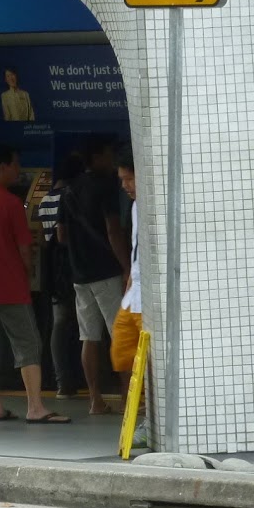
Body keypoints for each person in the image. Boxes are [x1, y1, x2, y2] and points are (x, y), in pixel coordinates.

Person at [0, 144, 69, 424]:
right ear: (2, 167)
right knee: (27, 344)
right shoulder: (11, 203)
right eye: (15, 165)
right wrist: (27, 274)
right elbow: (25, 248)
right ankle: (35, 407)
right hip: (9, 287)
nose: (18, 170)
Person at [57, 137, 125, 416]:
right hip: (106, 271)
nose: (112, 162)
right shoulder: (105, 186)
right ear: (96, 158)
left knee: (89, 337)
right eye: (108, 155)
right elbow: (112, 230)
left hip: (80, 274)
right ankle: (128, 397)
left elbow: (61, 235)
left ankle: (95, 400)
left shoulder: (69, 189)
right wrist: (126, 265)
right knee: (119, 334)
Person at [35, 153, 87, 399]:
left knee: (59, 324)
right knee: (80, 324)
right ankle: (74, 378)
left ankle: (61, 380)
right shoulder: (71, 196)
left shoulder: (45, 200)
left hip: (54, 271)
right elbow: (63, 237)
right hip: (73, 265)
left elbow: (45, 240)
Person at [109, 148, 149, 445]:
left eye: (129, 179)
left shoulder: (156, 206)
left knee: (148, 363)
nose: (125, 186)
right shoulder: (136, 207)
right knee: (122, 353)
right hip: (134, 292)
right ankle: (140, 412)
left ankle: (147, 419)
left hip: (149, 299)